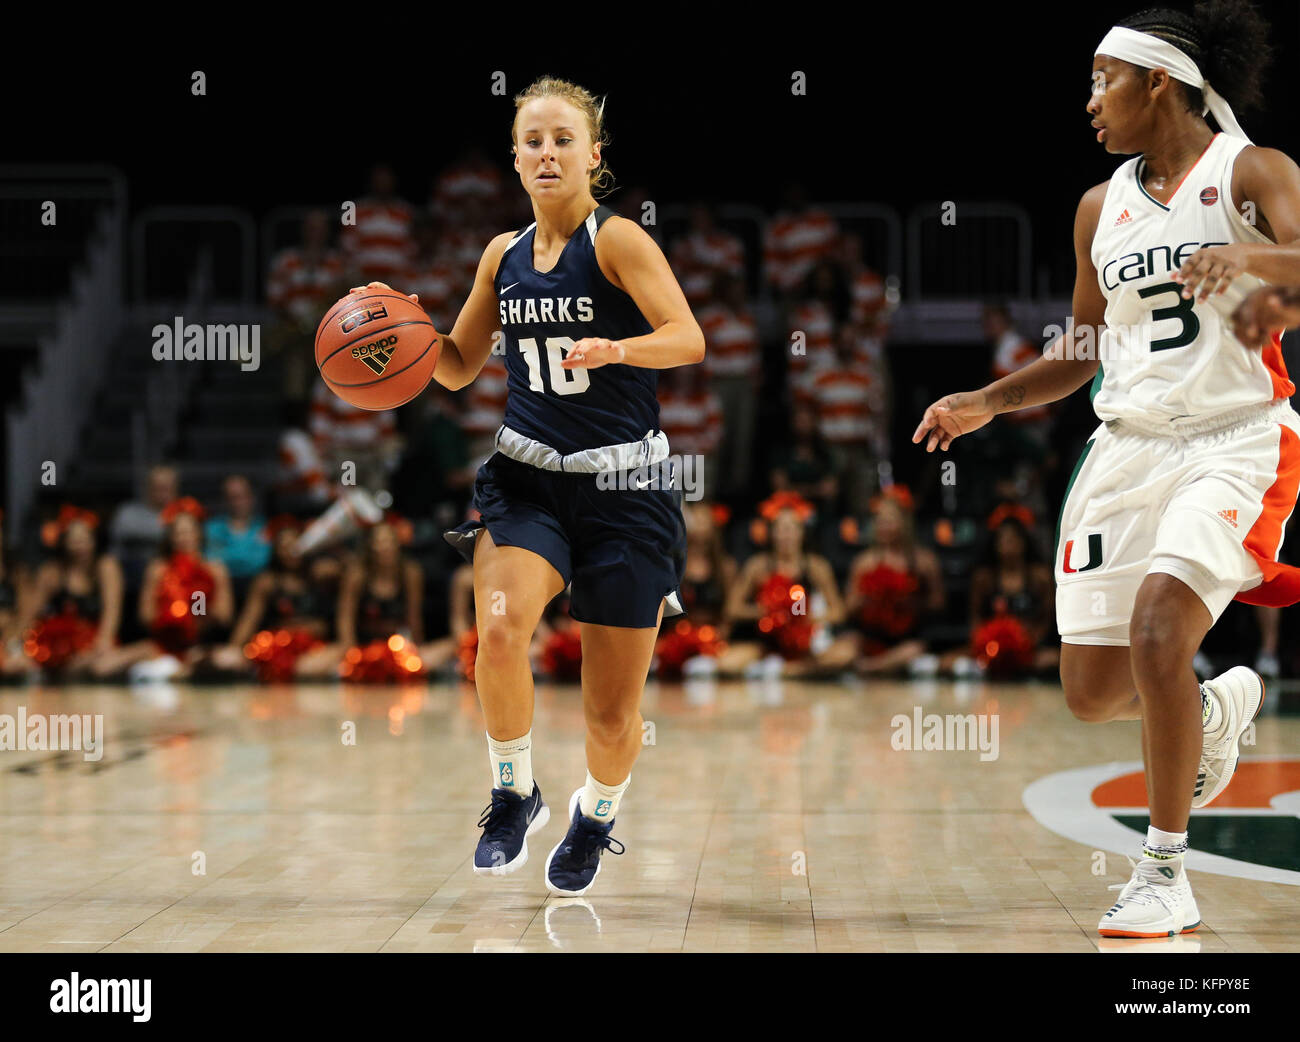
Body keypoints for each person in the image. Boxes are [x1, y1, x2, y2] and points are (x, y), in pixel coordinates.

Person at [913, 1, 1300, 938]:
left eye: (1102, 80)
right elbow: (1084, 348)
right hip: (1126, 446)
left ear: (1158, 82)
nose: (1089, 101)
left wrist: (1251, 255)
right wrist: (987, 401)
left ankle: (1164, 871)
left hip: (1234, 437)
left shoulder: (1253, 170)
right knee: (1091, 692)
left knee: (1162, 627)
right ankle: (1207, 711)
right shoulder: (1100, 205)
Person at [350, 77, 703, 895]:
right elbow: (459, 363)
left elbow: (687, 339)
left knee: (610, 715)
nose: (547, 152)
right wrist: (393, 335)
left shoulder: (618, 243)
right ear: (515, 160)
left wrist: (618, 351)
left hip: (627, 490)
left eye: (562, 140)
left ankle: (596, 813)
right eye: (533, 141)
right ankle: (514, 790)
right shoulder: (500, 256)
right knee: (501, 630)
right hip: (527, 479)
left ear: (593, 156)